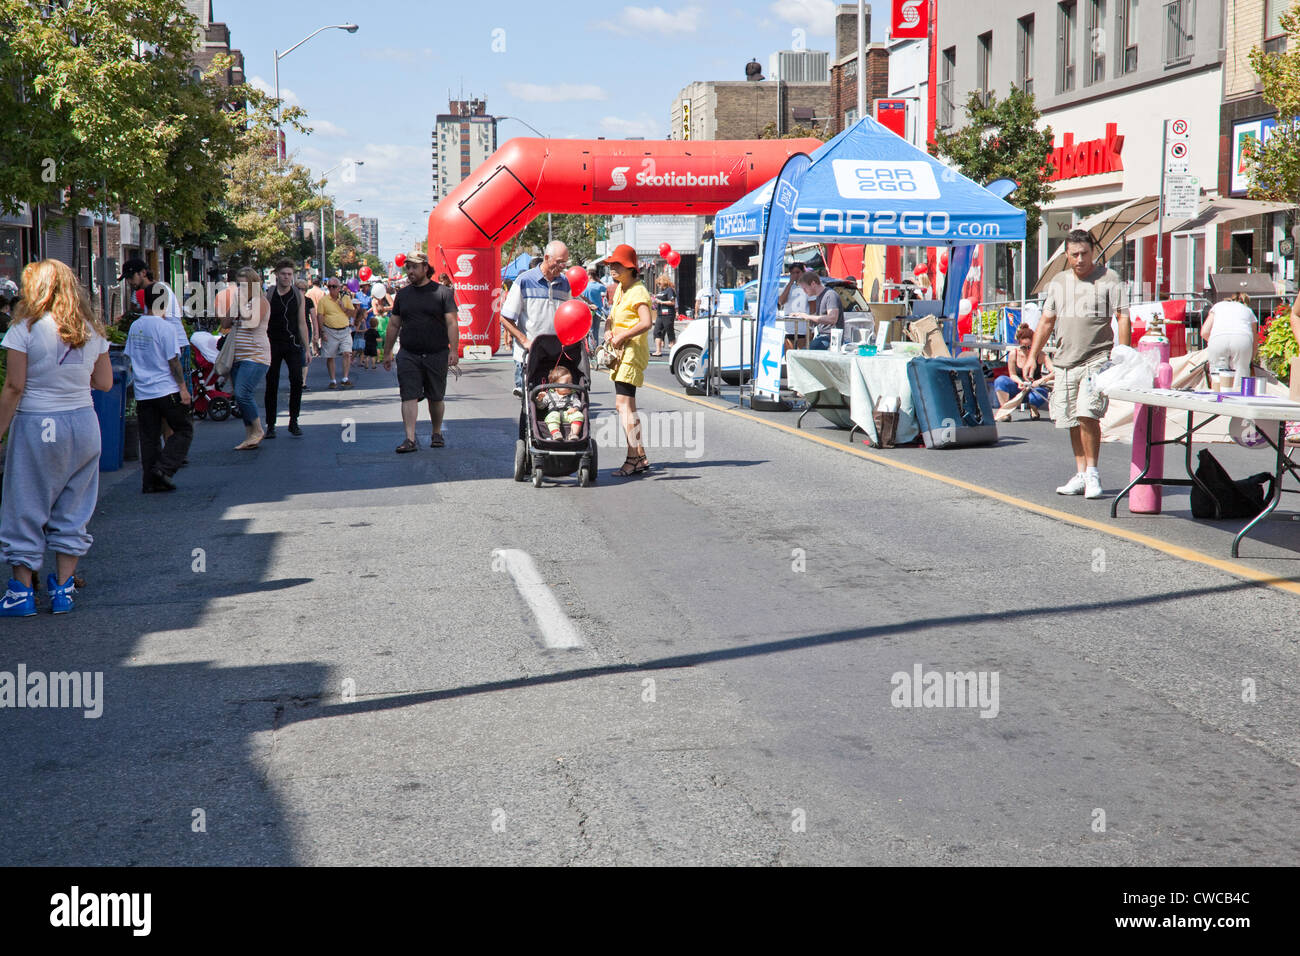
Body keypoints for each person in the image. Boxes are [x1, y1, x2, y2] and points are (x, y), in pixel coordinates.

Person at [0, 259, 112, 616]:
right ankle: (63, 590)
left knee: (25, 504)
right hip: (83, 422)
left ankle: (21, 594)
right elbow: (105, 383)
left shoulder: (24, 329)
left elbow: (14, 386)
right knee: (75, 506)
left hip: (39, 422)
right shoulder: (92, 330)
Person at [1028, 229, 1129, 499]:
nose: (1080, 259)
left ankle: (1093, 473)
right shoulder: (1059, 282)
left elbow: (1122, 317)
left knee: (1087, 414)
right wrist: (1031, 356)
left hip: (1096, 358)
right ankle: (1081, 474)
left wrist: (1123, 353)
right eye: (1074, 255)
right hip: (1064, 362)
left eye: (1084, 253)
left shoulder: (1109, 278)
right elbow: (1047, 321)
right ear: (1067, 255)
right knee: (1071, 419)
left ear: (1092, 251)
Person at [383, 251, 459, 453]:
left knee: (436, 397)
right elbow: (393, 324)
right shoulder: (403, 295)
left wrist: (454, 350)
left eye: (414, 267)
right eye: (408, 267)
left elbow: (452, 322)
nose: (410, 271)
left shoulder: (443, 292)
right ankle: (410, 439)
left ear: (426, 268)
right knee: (408, 395)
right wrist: (387, 352)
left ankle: (436, 432)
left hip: (437, 353)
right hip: (409, 353)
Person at [126, 281, 194, 491]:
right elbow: (173, 361)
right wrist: (183, 388)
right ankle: (163, 468)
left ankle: (150, 482)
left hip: (144, 391)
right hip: (166, 389)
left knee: (149, 438)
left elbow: (130, 356)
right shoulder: (166, 328)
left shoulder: (135, 326)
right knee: (184, 429)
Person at [601, 243, 654, 477]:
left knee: (622, 406)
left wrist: (622, 335)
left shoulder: (638, 291)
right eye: (611, 263)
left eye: (618, 264)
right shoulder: (622, 288)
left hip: (631, 353)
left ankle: (632, 458)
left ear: (631, 268)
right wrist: (608, 330)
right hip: (621, 352)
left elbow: (646, 322)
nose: (612, 267)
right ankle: (640, 456)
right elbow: (611, 318)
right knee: (628, 406)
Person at [500, 241, 571, 398]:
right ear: (546, 257)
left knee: (556, 401)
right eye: (559, 262)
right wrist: (524, 340)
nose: (562, 266)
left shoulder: (565, 283)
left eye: (565, 262)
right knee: (531, 403)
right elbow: (505, 317)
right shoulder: (524, 280)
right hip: (530, 353)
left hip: (555, 353)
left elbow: (570, 316)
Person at [220, 266, 271, 450]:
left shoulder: (261, 301)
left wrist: (240, 307)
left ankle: (257, 430)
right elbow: (225, 323)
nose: (239, 288)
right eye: (238, 285)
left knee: (243, 393)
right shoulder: (239, 301)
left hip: (256, 355)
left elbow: (252, 323)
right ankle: (249, 435)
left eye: (243, 285)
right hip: (238, 356)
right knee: (239, 397)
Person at [263, 260, 311, 438]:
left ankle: (294, 421)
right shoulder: (268, 295)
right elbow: (262, 321)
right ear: (277, 274)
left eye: (290, 274)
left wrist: (307, 348)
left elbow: (302, 323)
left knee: (297, 381)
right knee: (272, 383)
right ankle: (270, 425)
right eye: (283, 274)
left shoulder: (298, 296)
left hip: (293, 344)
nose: (286, 277)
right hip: (272, 343)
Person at [993, 323, 1055, 421]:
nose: (1026, 350)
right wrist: (1019, 382)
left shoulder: (1041, 355)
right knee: (1000, 381)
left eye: (1029, 347)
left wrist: (1041, 380)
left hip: (1035, 387)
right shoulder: (1014, 354)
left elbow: (1055, 372)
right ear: (1019, 344)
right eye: (1023, 347)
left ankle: (1033, 408)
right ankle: (1005, 411)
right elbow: (1012, 374)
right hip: (1019, 387)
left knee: (1037, 394)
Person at [1201, 292, 1258, 379]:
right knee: (1240, 378)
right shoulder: (1248, 311)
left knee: (1218, 377)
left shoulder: (1218, 306)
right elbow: (1254, 341)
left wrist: (1214, 342)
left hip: (1218, 339)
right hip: (1242, 339)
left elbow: (1204, 332)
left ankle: (1218, 390)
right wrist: (1249, 359)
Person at [315, 277, 356, 389]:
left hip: (344, 330)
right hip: (330, 330)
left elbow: (353, 314)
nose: (331, 289)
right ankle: (333, 380)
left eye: (334, 286)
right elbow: (320, 316)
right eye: (329, 287)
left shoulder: (346, 298)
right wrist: (321, 332)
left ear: (339, 287)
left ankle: (345, 378)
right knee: (330, 356)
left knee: (347, 353)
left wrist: (344, 308)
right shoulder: (324, 300)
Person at [794, 271, 843, 349]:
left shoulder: (830, 295)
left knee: (802, 354)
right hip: (823, 336)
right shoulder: (820, 297)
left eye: (805, 288)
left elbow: (832, 318)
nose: (804, 291)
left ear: (813, 284)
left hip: (830, 338)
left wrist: (808, 317)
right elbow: (821, 318)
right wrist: (801, 316)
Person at [537, 366, 585, 440]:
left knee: (579, 415)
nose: (569, 385)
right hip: (554, 413)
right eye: (566, 383)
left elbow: (577, 403)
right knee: (552, 416)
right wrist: (540, 399)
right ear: (555, 386)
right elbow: (541, 406)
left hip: (569, 414)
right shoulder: (549, 395)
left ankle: (573, 434)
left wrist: (575, 409)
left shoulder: (573, 394)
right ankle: (556, 433)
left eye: (570, 382)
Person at [295, 278, 317, 391]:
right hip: (293, 330)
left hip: (306, 330)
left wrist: (316, 334)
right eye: (298, 288)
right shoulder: (292, 300)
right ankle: (295, 380)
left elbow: (314, 318)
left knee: (304, 354)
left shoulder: (308, 301)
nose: (301, 291)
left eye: (303, 289)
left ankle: (303, 382)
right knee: (294, 356)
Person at [651, 273, 677, 356]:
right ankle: (658, 351)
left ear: (664, 282)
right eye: (657, 284)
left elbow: (672, 302)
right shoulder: (661, 291)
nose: (658, 285)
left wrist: (661, 302)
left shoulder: (669, 290)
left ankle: (674, 350)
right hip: (660, 314)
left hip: (668, 314)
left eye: (659, 283)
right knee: (656, 331)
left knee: (670, 331)